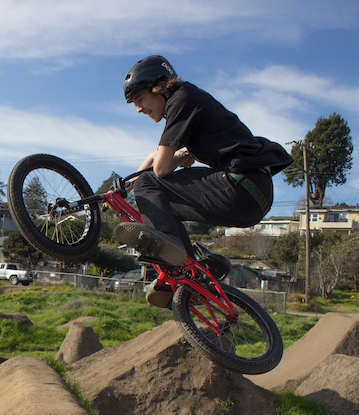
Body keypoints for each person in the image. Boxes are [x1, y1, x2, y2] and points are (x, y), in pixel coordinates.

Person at [116, 55, 293, 307]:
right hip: (252, 198)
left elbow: (161, 168)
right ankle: (195, 271)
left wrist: (146, 178)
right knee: (159, 204)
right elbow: (156, 158)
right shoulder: (188, 104)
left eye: (139, 99)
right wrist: (126, 186)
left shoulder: (182, 99)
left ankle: (172, 250)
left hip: (242, 184)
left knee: (150, 185)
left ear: (159, 87)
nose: (138, 109)